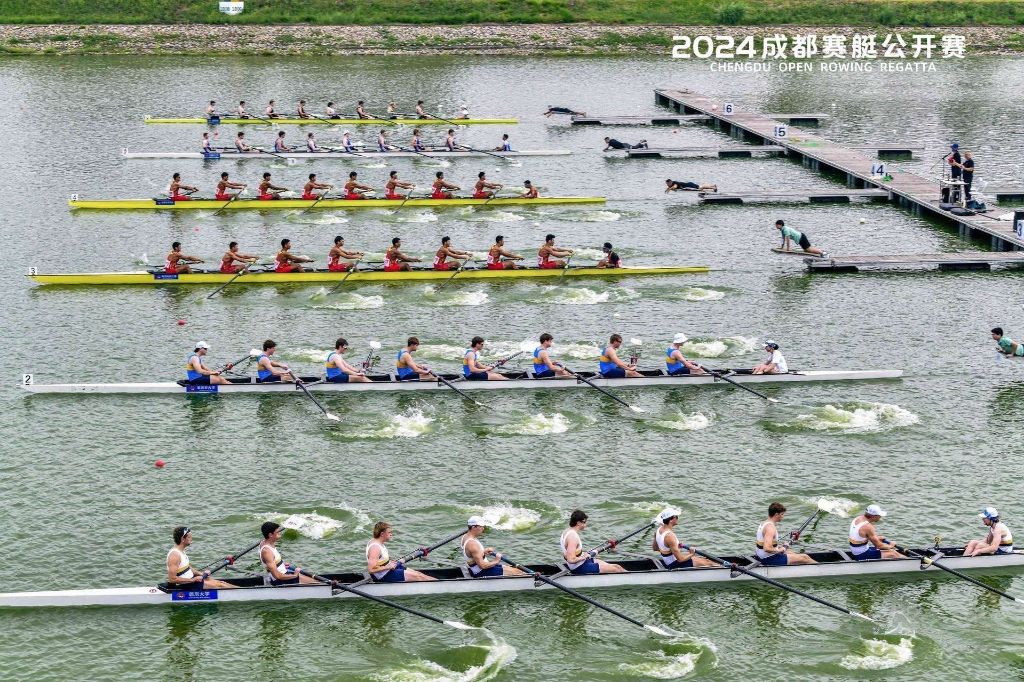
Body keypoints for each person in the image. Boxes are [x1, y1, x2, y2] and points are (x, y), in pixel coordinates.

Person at [166, 526, 235, 589]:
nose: (191, 539)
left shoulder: (181, 551)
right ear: (182, 539)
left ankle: (242, 591)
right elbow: (172, 579)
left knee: (222, 583)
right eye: (189, 537)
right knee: (221, 585)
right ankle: (243, 593)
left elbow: (187, 568)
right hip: (185, 585)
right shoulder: (175, 555)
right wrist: (193, 580)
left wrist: (201, 574)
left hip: (190, 581)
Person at [560, 510, 626, 574]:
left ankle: (629, 575)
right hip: (579, 567)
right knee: (616, 569)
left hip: (582, 563)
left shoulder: (567, 531)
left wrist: (584, 554)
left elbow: (572, 553)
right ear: (578, 523)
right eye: (584, 522)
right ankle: (631, 578)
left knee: (617, 566)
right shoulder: (573, 537)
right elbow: (570, 559)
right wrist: (583, 557)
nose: (586, 524)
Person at [366, 522, 436, 582]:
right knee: (418, 576)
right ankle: (439, 585)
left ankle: (436, 582)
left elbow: (379, 560)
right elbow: (371, 569)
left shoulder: (376, 541)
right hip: (383, 575)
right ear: (382, 534)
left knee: (418, 573)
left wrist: (389, 563)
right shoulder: (375, 548)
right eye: (389, 532)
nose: (391, 534)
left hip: (387, 569)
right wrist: (388, 567)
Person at [461, 516, 526, 578]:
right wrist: (496, 560)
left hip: (479, 569)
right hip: (482, 572)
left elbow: (471, 555)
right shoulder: (472, 544)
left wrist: (483, 551)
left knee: (516, 570)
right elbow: (483, 566)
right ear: (473, 527)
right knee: (519, 573)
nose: (483, 528)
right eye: (481, 526)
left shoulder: (465, 537)